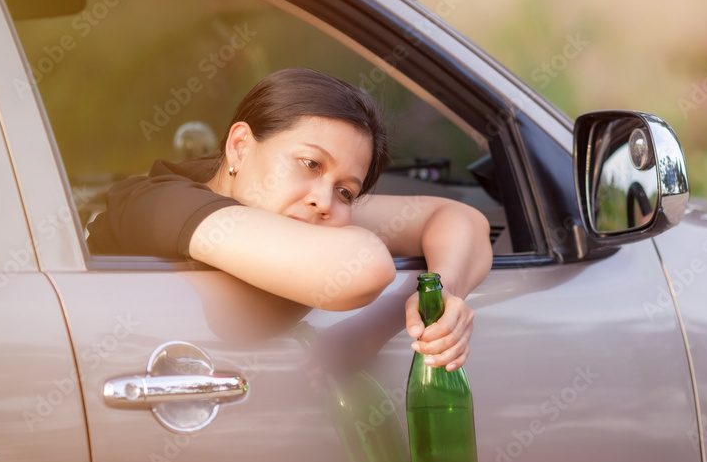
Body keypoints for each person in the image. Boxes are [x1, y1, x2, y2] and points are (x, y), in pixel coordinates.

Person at [87, 68, 492, 371]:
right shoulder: (156, 201)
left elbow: (457, 217)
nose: (324, 201)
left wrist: (445, 297)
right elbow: (364, 266)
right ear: (241, 146)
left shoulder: (303, 204)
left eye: (346, 190)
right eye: (310, 163)